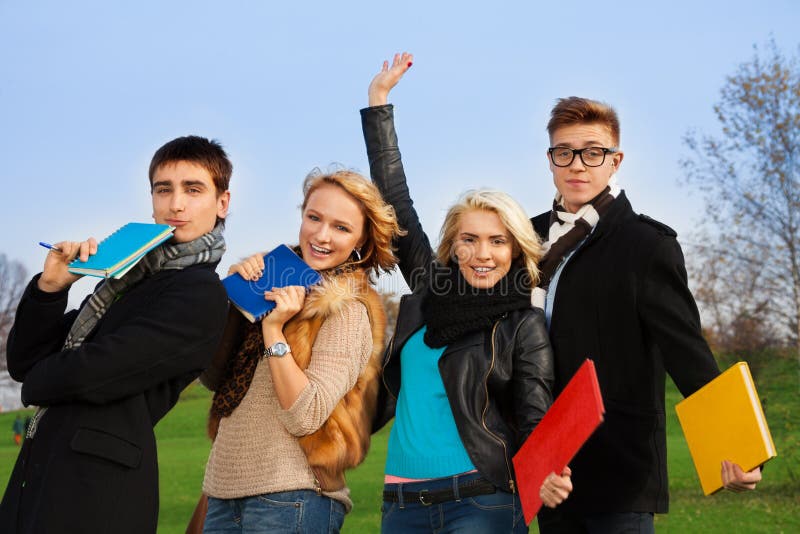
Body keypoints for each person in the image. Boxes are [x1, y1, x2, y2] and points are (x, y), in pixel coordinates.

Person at [531, 96, 762, 533]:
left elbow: (686, 349)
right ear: (550, 160)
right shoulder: (524, 237)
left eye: (593, 152)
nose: (578, 164)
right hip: (547, 469)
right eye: (565, 152)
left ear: (615, 161)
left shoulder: (646, 245)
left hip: (620, 469)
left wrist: (740, 447)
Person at [361, 54, 571, 533]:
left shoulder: (524, 322)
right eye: (469, 239)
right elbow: (394, 198)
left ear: (516, 249)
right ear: (451, 247)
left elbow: (534, 413)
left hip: (482, 502)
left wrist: (546, 470)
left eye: (498, 241)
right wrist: (378, 103)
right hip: (401, 502)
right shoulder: (431, 290)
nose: (483, 253)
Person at [0, 135, 232, 534]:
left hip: (98, 493)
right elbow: (23, 361)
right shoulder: (126, 279)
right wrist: (51, 288)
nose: (175, 204)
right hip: (42, 475)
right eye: (164, 189)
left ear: (221, 202)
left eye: (193, 190)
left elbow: (94, 372)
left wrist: (37, 381)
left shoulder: (201, 292)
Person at [198, 169, 403, 534]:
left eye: (341, 228)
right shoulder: (272, 282)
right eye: (314, 218)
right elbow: (213, 378)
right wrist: (233, 299)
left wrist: (273, 329)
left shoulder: (347, 310)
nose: (322, 236)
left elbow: (305, 416)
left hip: (292, 498)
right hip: (222, 493)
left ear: (361, 239)